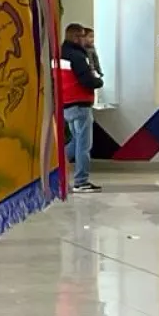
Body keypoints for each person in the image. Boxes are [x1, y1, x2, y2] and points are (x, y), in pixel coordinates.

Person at [58, 23, 104, 194]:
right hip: (80, 104)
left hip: (66, 104)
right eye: (84, 36)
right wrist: (99, 82)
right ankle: (81, 181)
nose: (87, 39)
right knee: (84, 145)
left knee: (75, 143)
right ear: (77, 37)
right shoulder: (77, 56)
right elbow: (87, 80)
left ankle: (53, 170)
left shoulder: (60, 54)